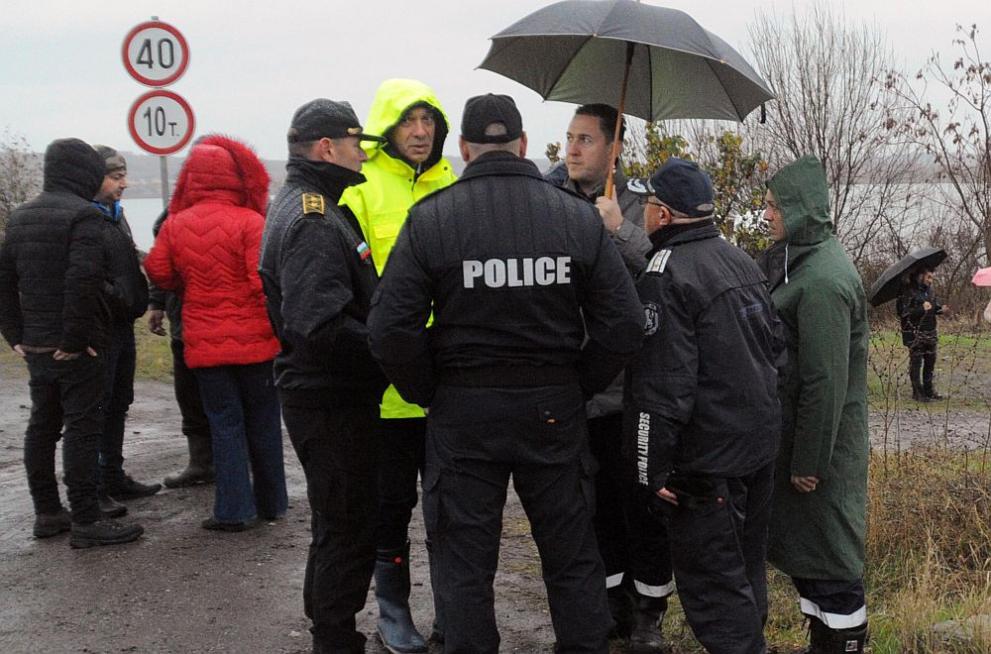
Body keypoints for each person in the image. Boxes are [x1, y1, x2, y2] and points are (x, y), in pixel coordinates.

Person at [368, 93, 644, 654]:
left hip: (464, 414)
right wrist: (576, 383)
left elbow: (389, 331)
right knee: (571, 556)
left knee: (465, 565)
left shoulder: (432, 219)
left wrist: (431, 392)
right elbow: (624, 324)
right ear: (522, 145)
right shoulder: (573, 216)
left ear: (465, 149)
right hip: (552, 410)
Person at [625, 158, 782, 654]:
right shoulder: (737, 258)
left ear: (665, 215)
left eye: (647, 205)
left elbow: (661, 385)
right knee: (744, 571)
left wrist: (652, 471)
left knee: (715, 590)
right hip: (756, 449)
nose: (643, 214)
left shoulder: (665, 274)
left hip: (706, 464)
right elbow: (774, 348)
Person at [259, 99, 389, 654]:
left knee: (337, 521)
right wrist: (393, 349)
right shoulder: (314, 217)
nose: (363, 155)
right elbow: (320, 326)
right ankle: (334, 639)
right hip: (330, 398)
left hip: (325, 395)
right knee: (346, 525)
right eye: (357, 143)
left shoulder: (313, 205)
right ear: (326, 148)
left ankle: (331, 630)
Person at [340, 78, 457, 652]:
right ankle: (393, 611)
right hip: (383, 392)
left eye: (428, 121)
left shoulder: (452, 187)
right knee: (390, 507)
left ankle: (452, 613)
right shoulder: (358, 191)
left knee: (452, 509)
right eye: (408, 121)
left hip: (446, 388)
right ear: (386, 127)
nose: (419, 132)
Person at [554, 104, 670, 650]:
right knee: (588, 506)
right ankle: (607, 604)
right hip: (575, 382)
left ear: (613, 148)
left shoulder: (637, 205)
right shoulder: (548, 198)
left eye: (585, 140)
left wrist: (618, 230)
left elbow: (664, 275)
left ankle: (649, 610)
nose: (573, 150)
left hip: (630, 389)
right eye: (569, 138)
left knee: (639, 506)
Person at [0, 137, 144, 548]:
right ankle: (85, 519)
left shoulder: (21, 215)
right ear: (82, 172)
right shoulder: (84, 216)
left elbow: (5, 280)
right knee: (82, 428)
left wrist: (15, 335)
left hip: (37, 344)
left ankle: (47, 513)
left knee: (42, 426)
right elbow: (82, 281)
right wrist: (77, 339)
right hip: (77, 345)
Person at [144, 134, 287, 532]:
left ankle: (233, 510)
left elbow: (158, 271)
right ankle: (273, 502)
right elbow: (261, 281)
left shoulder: (175, 224)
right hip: (256, 342)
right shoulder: (251, 221)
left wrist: (185, 282)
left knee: (223, 424)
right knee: (263, 419)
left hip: (204, 342)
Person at [761, 155, 870, 653]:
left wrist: (807, 462)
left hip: (821, 456)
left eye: (773, 207)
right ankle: (823, 642)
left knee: (831, 561)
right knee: (812, 559)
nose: (766, 215)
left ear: (800, 211)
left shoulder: (823, 280)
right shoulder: (803, 262)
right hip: (808, 448)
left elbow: (824, 382)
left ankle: (845, 644)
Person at [91, 146, 159, 510]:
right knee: (97, 407)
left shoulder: (116, 215)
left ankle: (113, 474)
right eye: (116, 177)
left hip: (122, 325)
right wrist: (118, 295)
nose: (125, 184)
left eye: (124, 176)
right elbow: (85, 276)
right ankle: (95, 485)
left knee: (119, 401)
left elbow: (128, 254)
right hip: (100, 327)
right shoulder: (86, 218)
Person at [148, 207, 215, 488]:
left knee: (205, 395)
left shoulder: (247, 208)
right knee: (190, 394)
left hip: (204, 324)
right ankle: (203, 462)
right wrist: (158, 302)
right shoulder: (171, 215)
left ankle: (212, 462)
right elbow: (162, 260)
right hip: (187, 323)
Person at [897, 267, 948, 402]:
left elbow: (933, 307)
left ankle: (929, 390)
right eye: (928, 277)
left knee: (930, 362)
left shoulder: (929, 291)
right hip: (914, 333)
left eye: (932, 278)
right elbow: (903, 312)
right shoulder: (908, 291)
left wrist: (940, 309)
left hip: (930, 332)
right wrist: (920, 309)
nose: (931, 281)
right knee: (916, 363)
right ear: (921, 276)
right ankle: (917, 392)